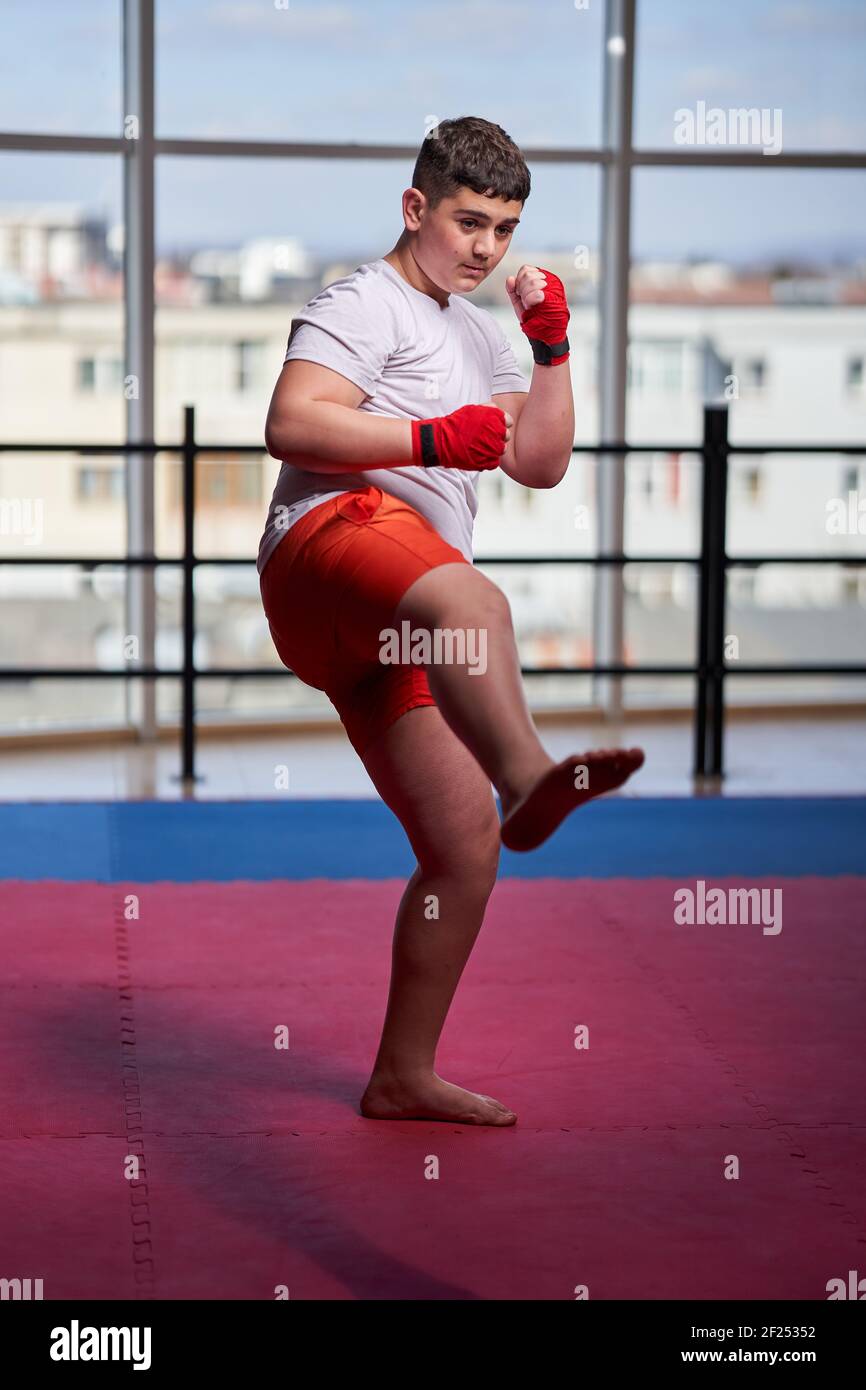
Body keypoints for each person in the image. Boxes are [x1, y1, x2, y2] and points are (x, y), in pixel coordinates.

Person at [258, 115, 644, 1126]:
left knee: (462, 844)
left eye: (504, 229)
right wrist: (428, 436)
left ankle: (401, 1073)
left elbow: (539, 461)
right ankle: (526, 777)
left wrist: (551, 347)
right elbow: (290, 422)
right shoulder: (362, 299)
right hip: (325, 549)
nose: (483, 248)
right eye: (467, 221)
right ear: (413, 207)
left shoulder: (481, 334)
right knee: (474, 600)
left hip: (388, 626)